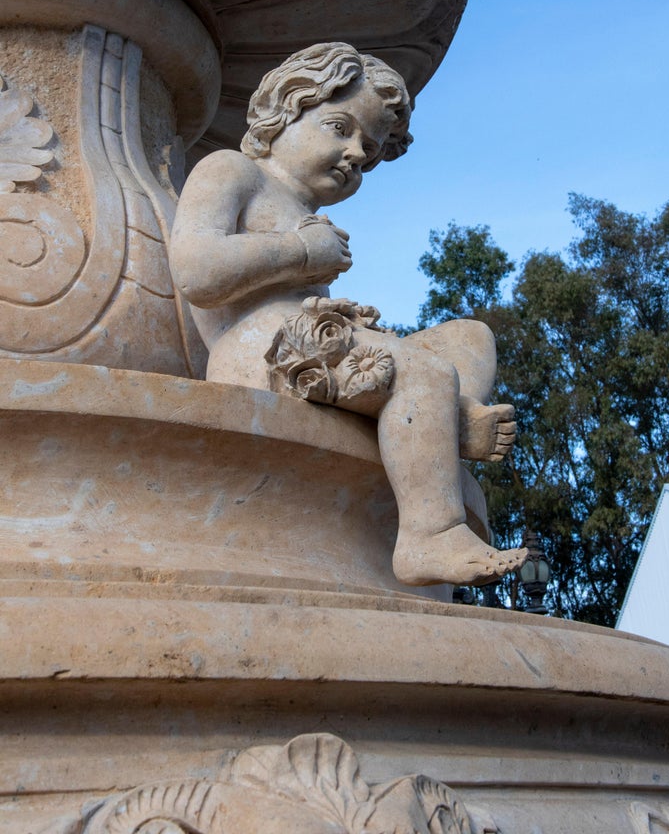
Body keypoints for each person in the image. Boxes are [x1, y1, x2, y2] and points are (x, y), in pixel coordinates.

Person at [170, 42, 527, 586]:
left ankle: (453, 416)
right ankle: (429, 534)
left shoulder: (305, 213)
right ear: (285, 109)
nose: (358, 153)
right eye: (341, 128)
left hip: (310, 337)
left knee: (468, 338)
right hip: (259, 348)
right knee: (425, 371)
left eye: (370, 148)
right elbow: (195, 270)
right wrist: (300, 253)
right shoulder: (232, 171)